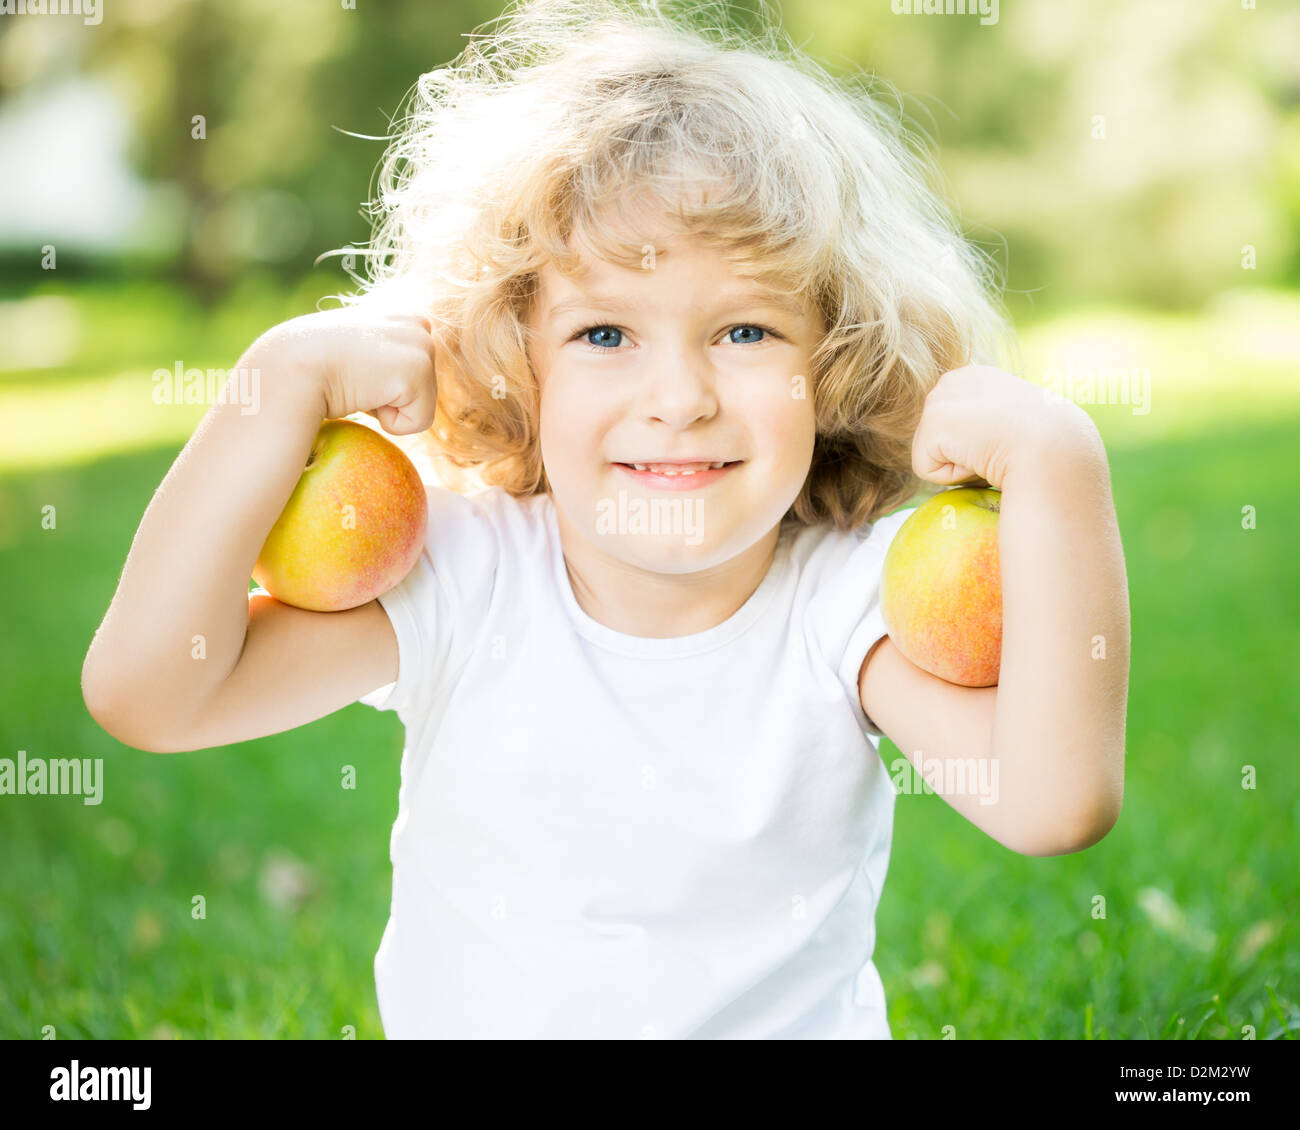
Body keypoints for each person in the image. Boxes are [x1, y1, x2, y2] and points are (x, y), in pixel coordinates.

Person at [82, 0, 1129, 1039]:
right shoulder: (465, 576)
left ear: (836, 356)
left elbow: (1050, 801)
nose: (678, 396)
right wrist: (278, 386)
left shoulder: (840, 603)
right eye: (603, 333)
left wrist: (1055, 466)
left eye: (746, 327)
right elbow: (154, 693)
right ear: (513, 360)